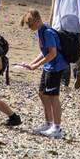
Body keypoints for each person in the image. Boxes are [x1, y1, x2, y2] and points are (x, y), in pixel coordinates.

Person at [20, 9, 67, 138]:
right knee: (42, 94)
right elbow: (44, 51)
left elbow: (53, 53)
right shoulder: (40, 31)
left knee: (53, 96)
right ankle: (48, 123)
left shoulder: (47, 32)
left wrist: (37, 65)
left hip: (56, 67)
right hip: (48, 67)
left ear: (37, 20)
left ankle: (56, 128)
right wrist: (32, 63)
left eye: (30, 24)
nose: (29, 27)